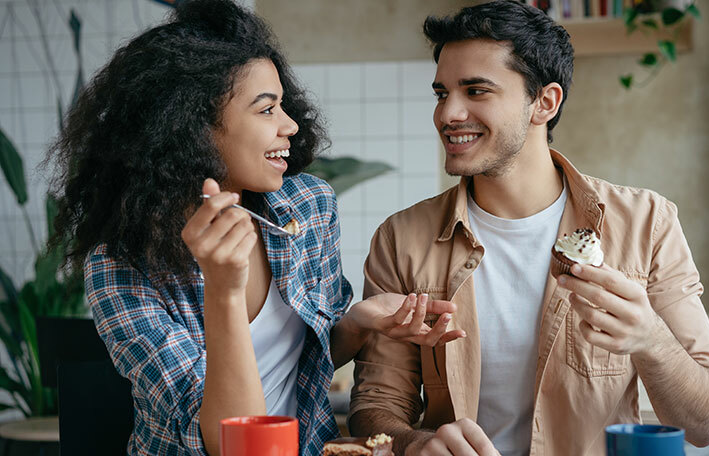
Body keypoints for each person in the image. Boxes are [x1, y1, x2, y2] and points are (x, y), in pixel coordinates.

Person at [46, 1, 462, 455]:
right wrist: (224, 291)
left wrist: (359, 322)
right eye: (266, 110)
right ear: (192, 129)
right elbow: (228, 443)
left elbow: (303, 361)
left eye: (283, 105)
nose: (290, 124)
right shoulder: (121, 268)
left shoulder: (308, 206)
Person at [348, 1, 709, 455]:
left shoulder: (647, 223)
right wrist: (414, 443)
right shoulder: (401, 238)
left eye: (475, 91)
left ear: (544, 103)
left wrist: (651, 339)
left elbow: (707, 424)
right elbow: (375, 405)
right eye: (441, 93)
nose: (448, 114)